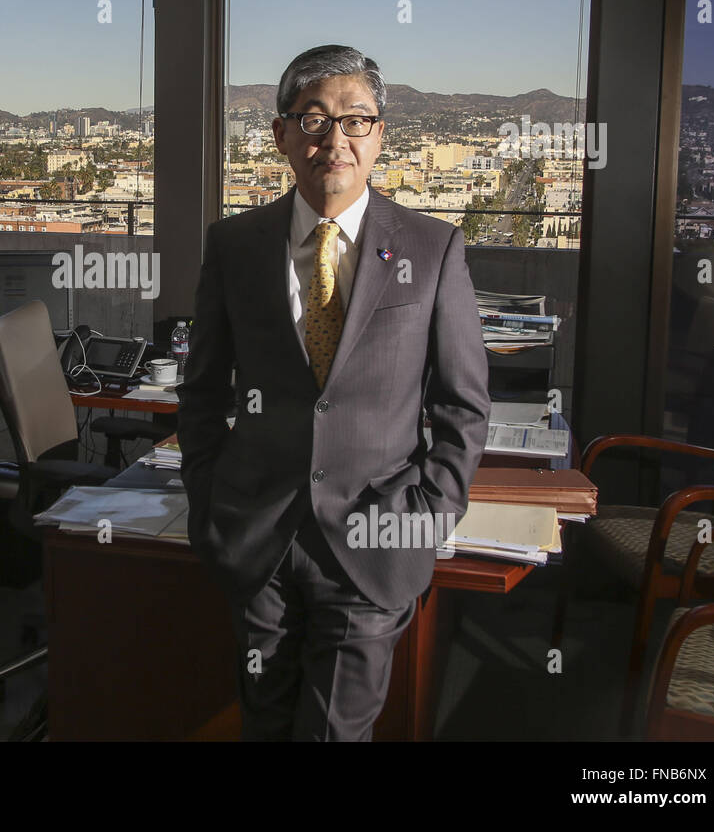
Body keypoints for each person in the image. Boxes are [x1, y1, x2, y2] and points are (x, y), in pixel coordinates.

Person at [178, 44, 490, 741]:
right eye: (314, 120)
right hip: (258, 540)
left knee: (332, 733)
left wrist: (425, 517)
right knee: (263, 723)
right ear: (281, 134)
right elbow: (200, 393)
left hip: (375, 542)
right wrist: (210, 496)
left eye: (356, 120)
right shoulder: (234, 244)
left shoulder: (433, 249)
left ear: (380, 134)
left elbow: (462, 408)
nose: (335, 141)